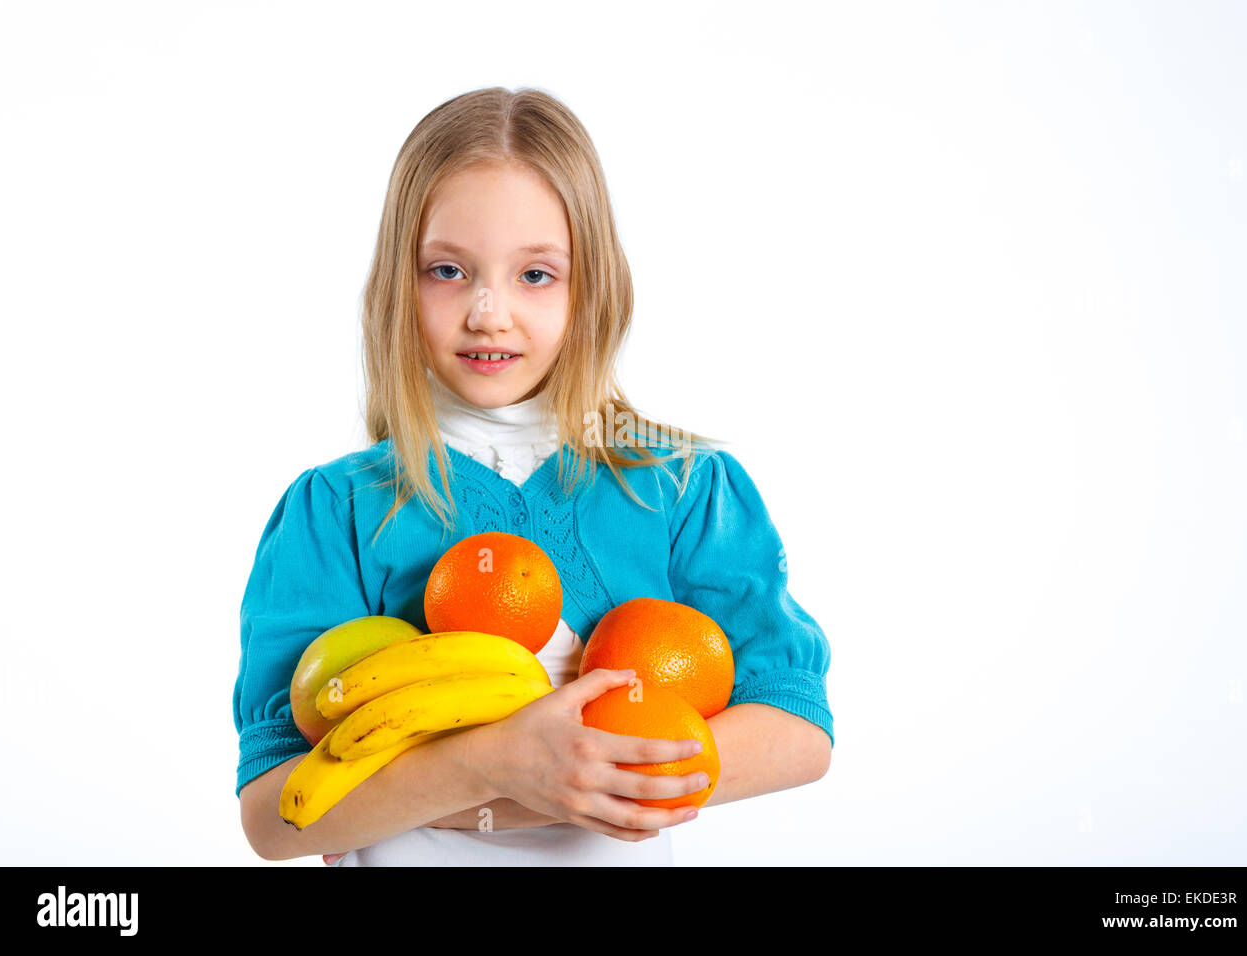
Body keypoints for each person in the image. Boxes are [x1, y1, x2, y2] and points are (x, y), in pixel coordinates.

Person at [234, 86, 834, 866]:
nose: (489, 311)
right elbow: (276, 815)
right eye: (448, 269)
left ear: (593, 289)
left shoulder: (685, 489)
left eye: (537, 275)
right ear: (395, 285)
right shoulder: (335, 511)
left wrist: (576, 781)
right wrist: (491, 771)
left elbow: (796, 725)